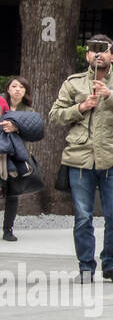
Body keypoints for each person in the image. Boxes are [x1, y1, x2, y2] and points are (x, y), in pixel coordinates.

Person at [49, 34, 113, 284]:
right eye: (93, 50)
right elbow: (55, 116)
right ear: (87, 55)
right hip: (79, 159)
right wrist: (80, 108)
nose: (98, 54)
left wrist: (110, 97)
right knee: (82, 216)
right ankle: (85, 267)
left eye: (104, 50)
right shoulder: (73, 83)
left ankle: (110, 264)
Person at [0, 77, 44, 242]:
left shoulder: (29, 112)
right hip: (0, 154)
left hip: (17, 156)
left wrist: (16, 127)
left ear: (26, 92)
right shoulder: (0, 103)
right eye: (14, 86)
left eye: (21, 87)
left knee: (13, 194)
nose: (17, 89)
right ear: (8, 89)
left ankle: (8, 229)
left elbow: (34, 133)